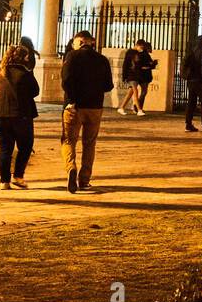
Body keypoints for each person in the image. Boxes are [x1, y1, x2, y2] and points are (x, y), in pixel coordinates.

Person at [60, 30, 114, 193]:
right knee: (89, 143)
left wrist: (72, 99)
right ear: (91, 42)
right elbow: (108, 85)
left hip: (74, 107)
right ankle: (84, 180)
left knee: (69, 141)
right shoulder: (102, 59)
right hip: (95, 107)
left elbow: (66, 80)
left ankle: (71, 168)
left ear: (80, 42)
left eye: (74, 42)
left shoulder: (72, 56)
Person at [0, 43, 39, 189]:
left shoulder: (3, 72)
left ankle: (4, 180)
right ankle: (18, 175)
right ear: (23, 58)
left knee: (5, 149)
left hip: (1, 115)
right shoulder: (24, 74)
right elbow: (35, 91)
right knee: (25, 146)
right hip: (21, 115)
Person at [181, 34, 202, 133]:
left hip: (191, 80)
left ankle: (188, 124)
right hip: (199, 80)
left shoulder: (193, 50)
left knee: (191, 102)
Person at [118, 40, 156, 116]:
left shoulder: (139, 53)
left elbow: (141, 63)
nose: (141, 48)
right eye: (141, 47)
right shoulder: (129, 53)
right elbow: (125, 65)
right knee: (135, 92)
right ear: (137, 45)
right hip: (131, 75)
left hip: (137, 75)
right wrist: (124, 77)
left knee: (130, 93)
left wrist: (149, 65)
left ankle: (121, 108)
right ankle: (139, 109)